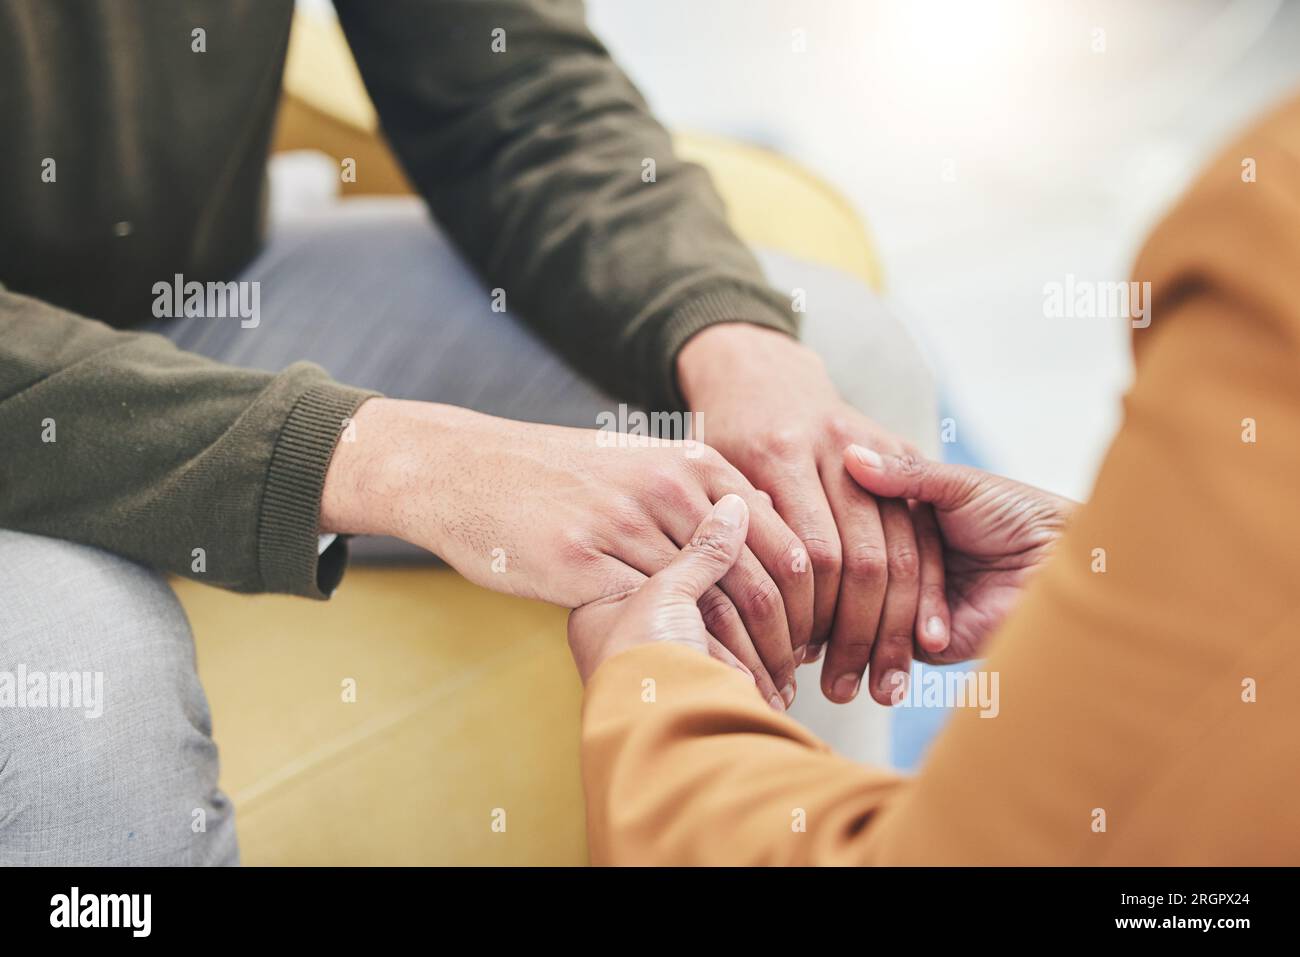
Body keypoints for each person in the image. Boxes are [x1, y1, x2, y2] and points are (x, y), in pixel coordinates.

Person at [0, 1, 935, 864]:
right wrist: (391, 457)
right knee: (79, 715)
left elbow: (512, 78)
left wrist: (729, 340)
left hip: (191, 294)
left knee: (832, 399)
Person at [566, 94, 1300, 865]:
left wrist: (648, 685)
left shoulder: (1274, 229)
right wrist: (1104, 566)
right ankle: (753, 148)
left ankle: (755, 146)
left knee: (857, 367)